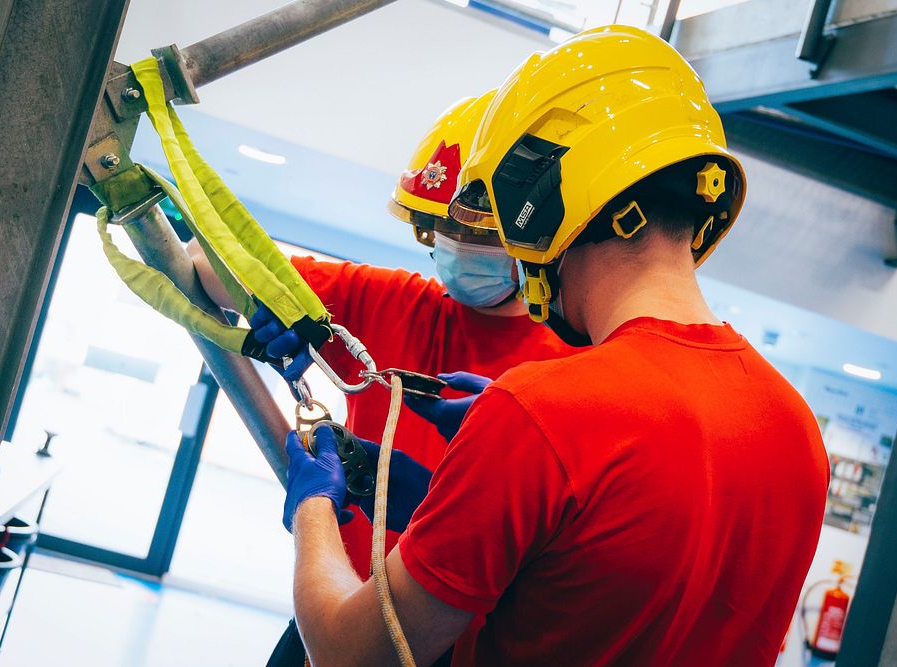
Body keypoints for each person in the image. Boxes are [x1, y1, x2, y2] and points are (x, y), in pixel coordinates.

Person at [283, 26, 830, 666]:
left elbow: (353, 656)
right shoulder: (797, 433)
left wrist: (315, 506)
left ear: (544, 202)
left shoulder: (542, 413)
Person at [189, 91, 577, 665]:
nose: (463, 244)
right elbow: (204, 266)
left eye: (483, 231)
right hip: (341, 611)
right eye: (449, 227)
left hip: (462, 642)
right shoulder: (390, 302)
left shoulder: (575, 368)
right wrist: (275, 304)